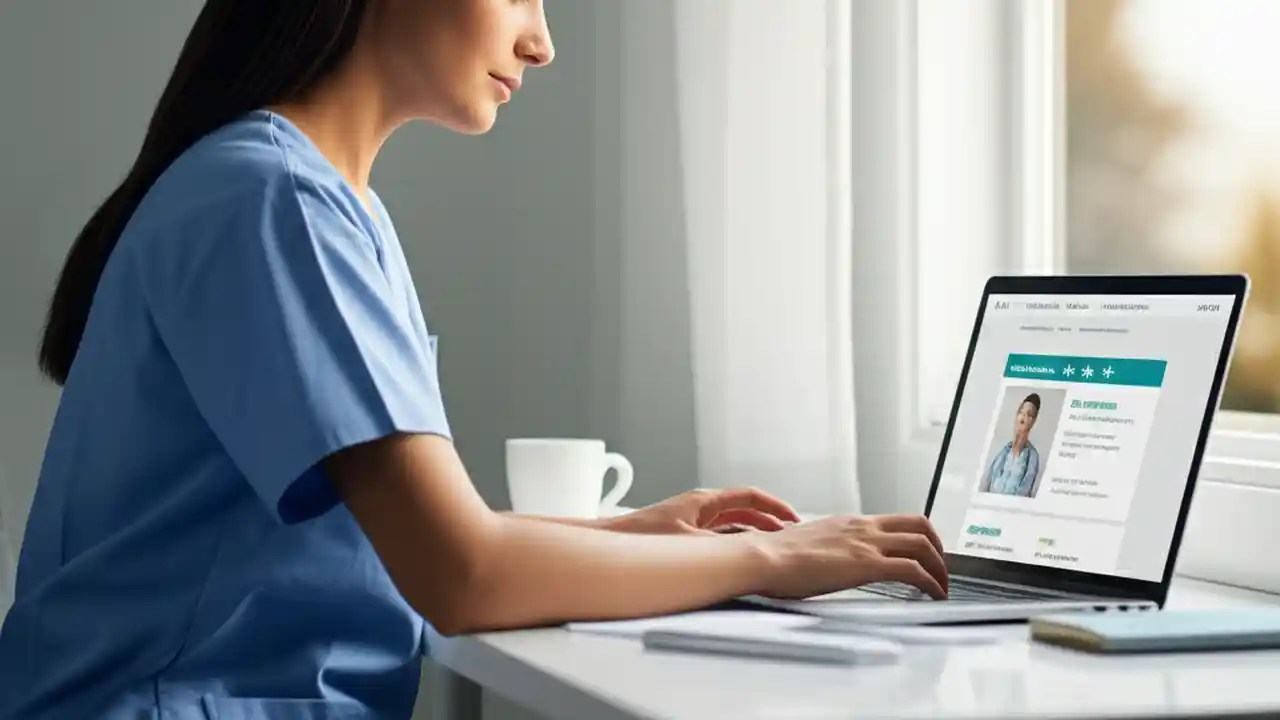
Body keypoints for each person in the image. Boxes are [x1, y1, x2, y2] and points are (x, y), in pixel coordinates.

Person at [0, 1, 949, 718]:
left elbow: (400, 539)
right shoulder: (272, 197)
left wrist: (645, 535)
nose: (541, 41)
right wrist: (769, 558)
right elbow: (460, 575)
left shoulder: (325, 200)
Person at [983, 393, 1043, 497]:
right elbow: (987, 481)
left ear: (1033, 421)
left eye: (1029, 415)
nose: (1023, 417)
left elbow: (1026, 491)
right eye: (1021, 412)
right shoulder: (1004, 451)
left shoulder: (1032, 457)